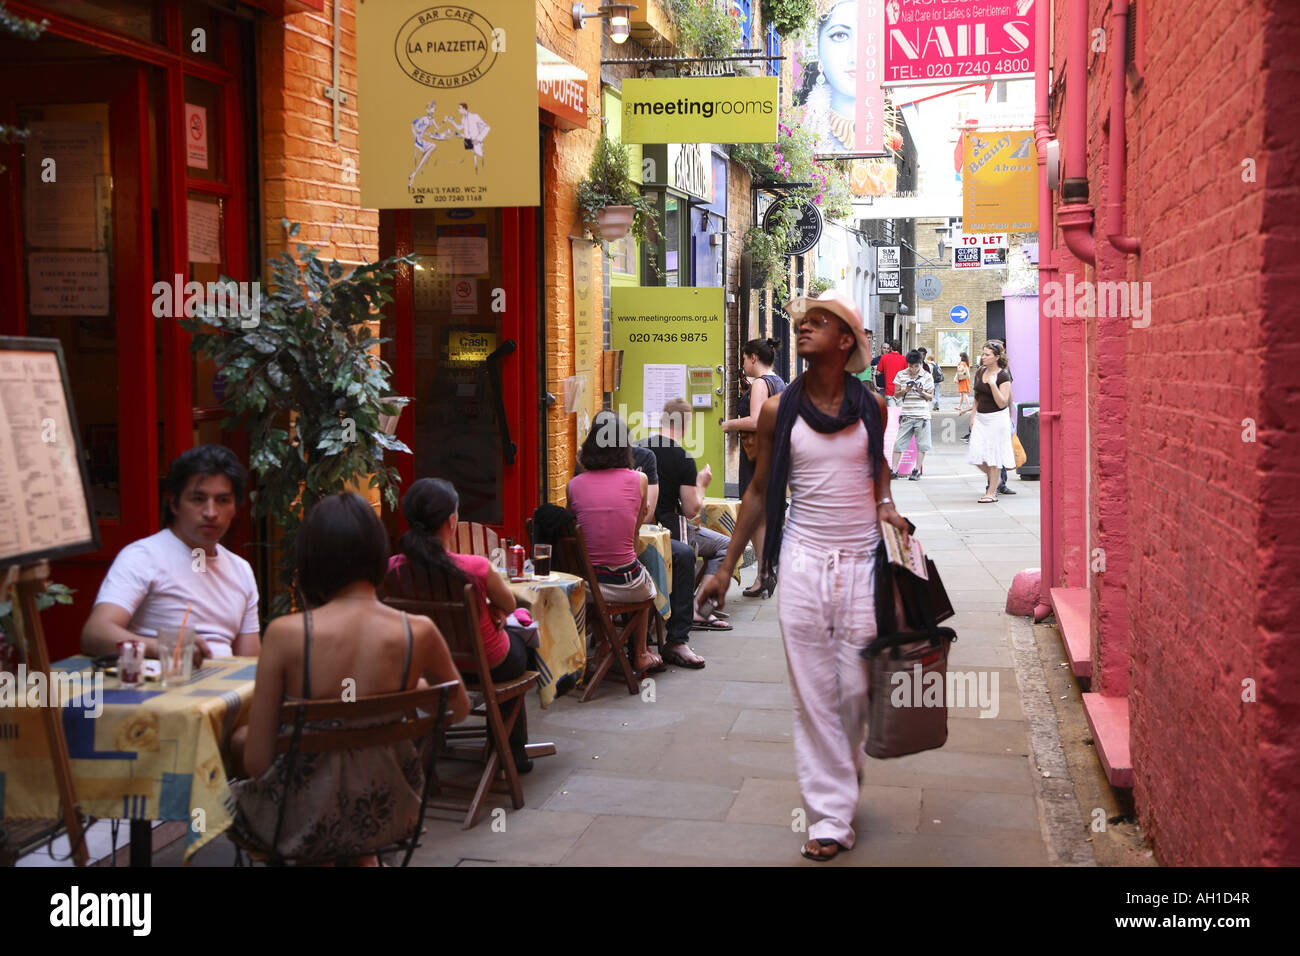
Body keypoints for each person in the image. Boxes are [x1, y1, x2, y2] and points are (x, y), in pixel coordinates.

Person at [697, 289, 910, 862]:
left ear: (846, 342)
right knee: (815, 693)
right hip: (803, 563)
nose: (804, 329)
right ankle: (830, 816)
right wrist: (725, 568)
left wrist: (887, 503)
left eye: (820, 322)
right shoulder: (777, 410)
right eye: (803, 322)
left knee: (854, 690)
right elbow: (760, 491)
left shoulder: (874, 407)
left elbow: (879, 469)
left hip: (864, 562)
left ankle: (841, 776)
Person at [229, 492, 470, 863]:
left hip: (301, 822)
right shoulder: (417, 632)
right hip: (387, 813)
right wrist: (413, 690)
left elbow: (260, 762)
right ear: (377, 554)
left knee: (238, 742)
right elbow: (457, 711)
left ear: (312, 561)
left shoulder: (285, 635)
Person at [386, 478, 539, 772]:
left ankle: (440, 742)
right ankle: (509, 750)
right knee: (525, 644)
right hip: (486, 664)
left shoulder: (393, 567)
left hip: (429, 668)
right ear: (451, 520)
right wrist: (493, 608)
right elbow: (510, 605)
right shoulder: (476, 568)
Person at [82, 444, 260, 663]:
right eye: (198, 499)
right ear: (175, 504)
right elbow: (96, 633)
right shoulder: (143, 556)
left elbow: (250, 663)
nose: (211, 512)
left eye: (223, 500)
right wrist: (162, 648)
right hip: (162, 687)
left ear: (235, 508)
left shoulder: (241, 569)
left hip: (225, 690)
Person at [566, 412, 662, 675]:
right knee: (648, 581)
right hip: (627, 584)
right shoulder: (639, 480)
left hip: (587, 587)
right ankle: (640, 653)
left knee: (596, 588)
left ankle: (606, 642)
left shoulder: (573, 486)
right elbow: (635, 532)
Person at [641, 399, 729, 650]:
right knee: (727, 546)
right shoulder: (682, 457)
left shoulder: (638, 448)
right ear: (684, 424)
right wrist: (701, 482)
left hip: (640, 533)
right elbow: (692, 509)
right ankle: (698, 608)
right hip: (671, 533)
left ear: (662, 418)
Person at [721, 337, 786, 598]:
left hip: (757, 456)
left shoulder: (760, 382)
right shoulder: (778, 381)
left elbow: (758, 420)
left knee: (756, 516)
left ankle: (764, 573)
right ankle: (765, 572)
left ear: (754, 358)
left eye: (745, 359)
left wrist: (729, 424)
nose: (744, 364)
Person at [795, 1, 861, 154]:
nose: (854, 56)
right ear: (819, 49)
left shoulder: (884, 133)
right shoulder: (799, 119)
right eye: (840, 35)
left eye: (866, 37)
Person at [967, 341, 1017, 502]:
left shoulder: (1003, 375)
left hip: (997, 419)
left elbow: (1002, 402)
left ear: (996, 357)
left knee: (994, 456)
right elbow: (977, 396)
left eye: (987, 355)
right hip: (981, 419)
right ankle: (996, 480)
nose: (983, 357)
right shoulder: (980, 371)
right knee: (976, 455)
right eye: (983, 354)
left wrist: (993, 384)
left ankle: (991, 493)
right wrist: (973, 416)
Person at [891, 350, 934, 480]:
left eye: (916, 366)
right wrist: (905, 390)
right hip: (907, 414)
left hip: (922, 416)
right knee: (898, 443)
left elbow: (931, 397)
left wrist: (921, 392)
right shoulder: (901, 374)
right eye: (910, 366)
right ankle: (894, 470)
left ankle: (916, 471)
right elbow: (895, 394)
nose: (913, 369)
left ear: (920, 364)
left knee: (922, 445)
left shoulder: (927, 376)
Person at [453, 103, 489, 173]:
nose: (458, 110)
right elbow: (459, 127)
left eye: (459, 108)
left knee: (478, 161)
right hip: (468, 141)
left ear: (464, 108)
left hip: (476, 142)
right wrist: (452, 121)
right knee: (468, 162)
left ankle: (480, 173)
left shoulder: (474, 116)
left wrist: (478, 139)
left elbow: (487, 127)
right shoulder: (463, 118)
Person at [876, 339, 908, 404]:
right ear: (900, 348)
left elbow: (877, 373)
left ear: (891, 348)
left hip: (889, 390)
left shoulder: (884, 357)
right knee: (899, 413)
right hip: (900, 390)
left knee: (892, 413)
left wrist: (886, 370)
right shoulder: (904, 359)